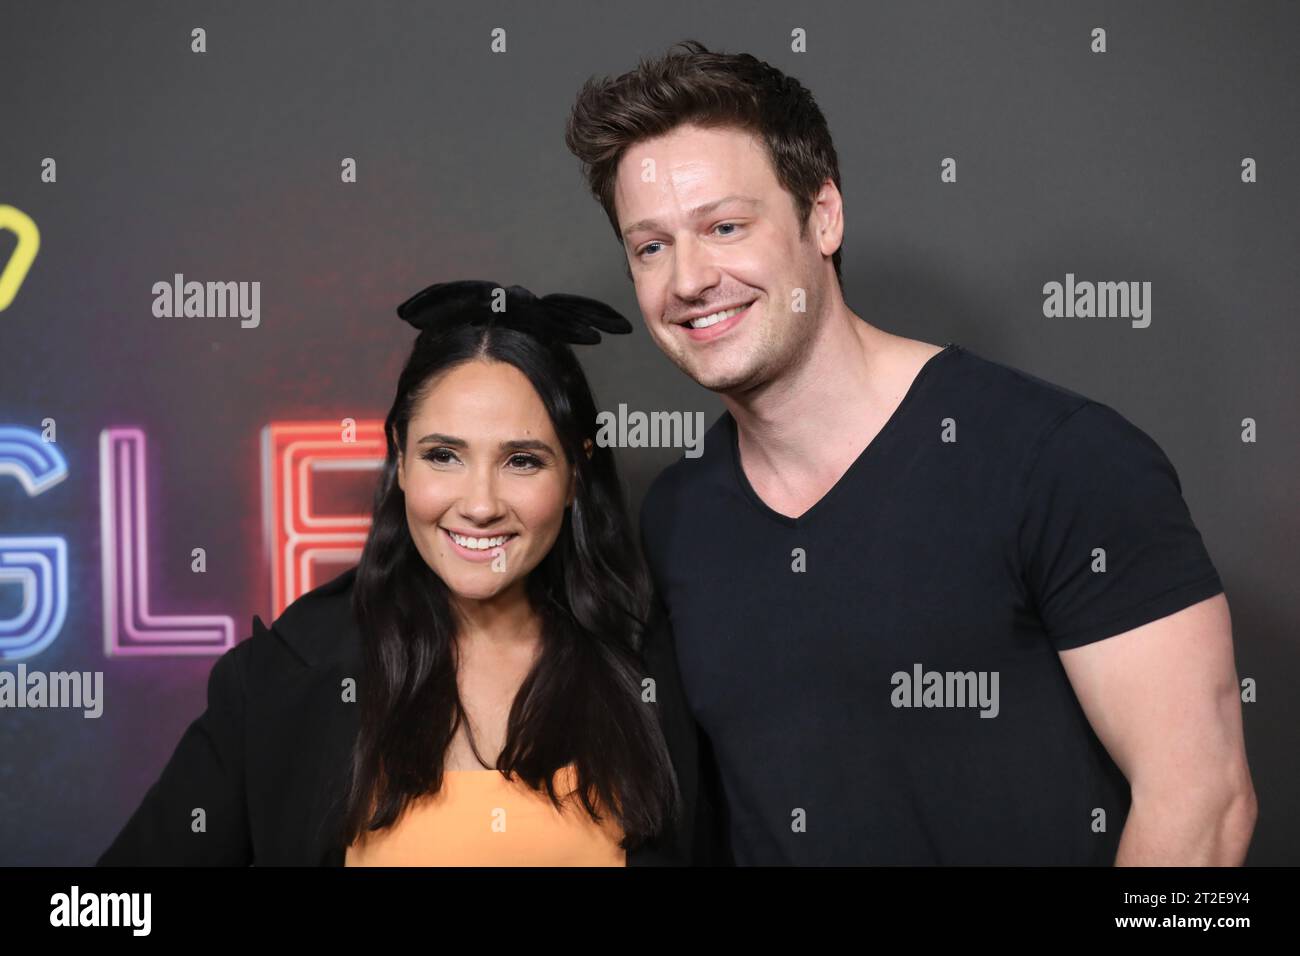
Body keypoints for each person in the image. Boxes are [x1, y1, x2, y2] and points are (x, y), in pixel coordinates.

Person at [564, 40, 1258, 864]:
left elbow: (1205, 804)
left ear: (823, 216)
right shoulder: (680, 516)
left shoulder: (1061, 461)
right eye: (650, 247)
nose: (687, 279)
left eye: (724, 226)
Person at [97, 280, 702, 866]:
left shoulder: (647, 666)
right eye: (444, 455)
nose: (481, 503)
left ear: (574, 474)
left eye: (522, 460)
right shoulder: (288, 674)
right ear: (401, 461)